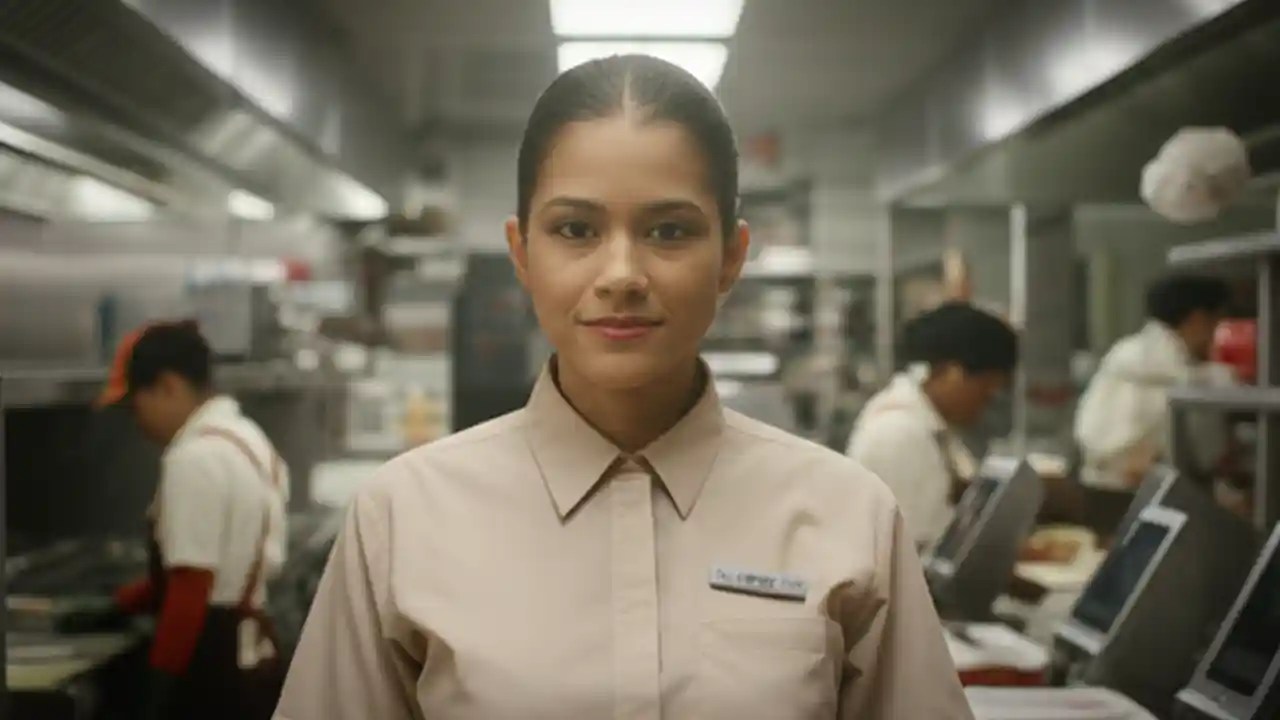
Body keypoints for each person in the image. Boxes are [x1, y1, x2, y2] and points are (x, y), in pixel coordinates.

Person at [275, 55, 971, 719]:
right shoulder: (402, 521)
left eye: (669, 231)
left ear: (730, 257)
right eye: (575, 229)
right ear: (523, 254)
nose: (621, 274)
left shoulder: (849, 517)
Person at [98, 320, 289, 720]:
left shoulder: (194, 459)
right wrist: (126, 602)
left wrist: (158, 692)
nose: (137, 420)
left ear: (168, 386)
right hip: (249, 660)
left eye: (137, 403)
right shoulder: (247, 438)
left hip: (209, 673)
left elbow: (192, 587)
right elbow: (221, 565)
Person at [846, 303, 1019, 549]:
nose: (985, 404)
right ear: (952, 374)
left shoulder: (929, 424)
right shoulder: (899, 433)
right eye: (986, 390)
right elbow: (923, 552)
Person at [1075, 274, 1233, 496]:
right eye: (1217, 322)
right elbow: (1207, 455)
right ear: (1198, 320)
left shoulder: (1124, 350)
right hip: (1139, 496)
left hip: (1094, 485)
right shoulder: (1189, 374)